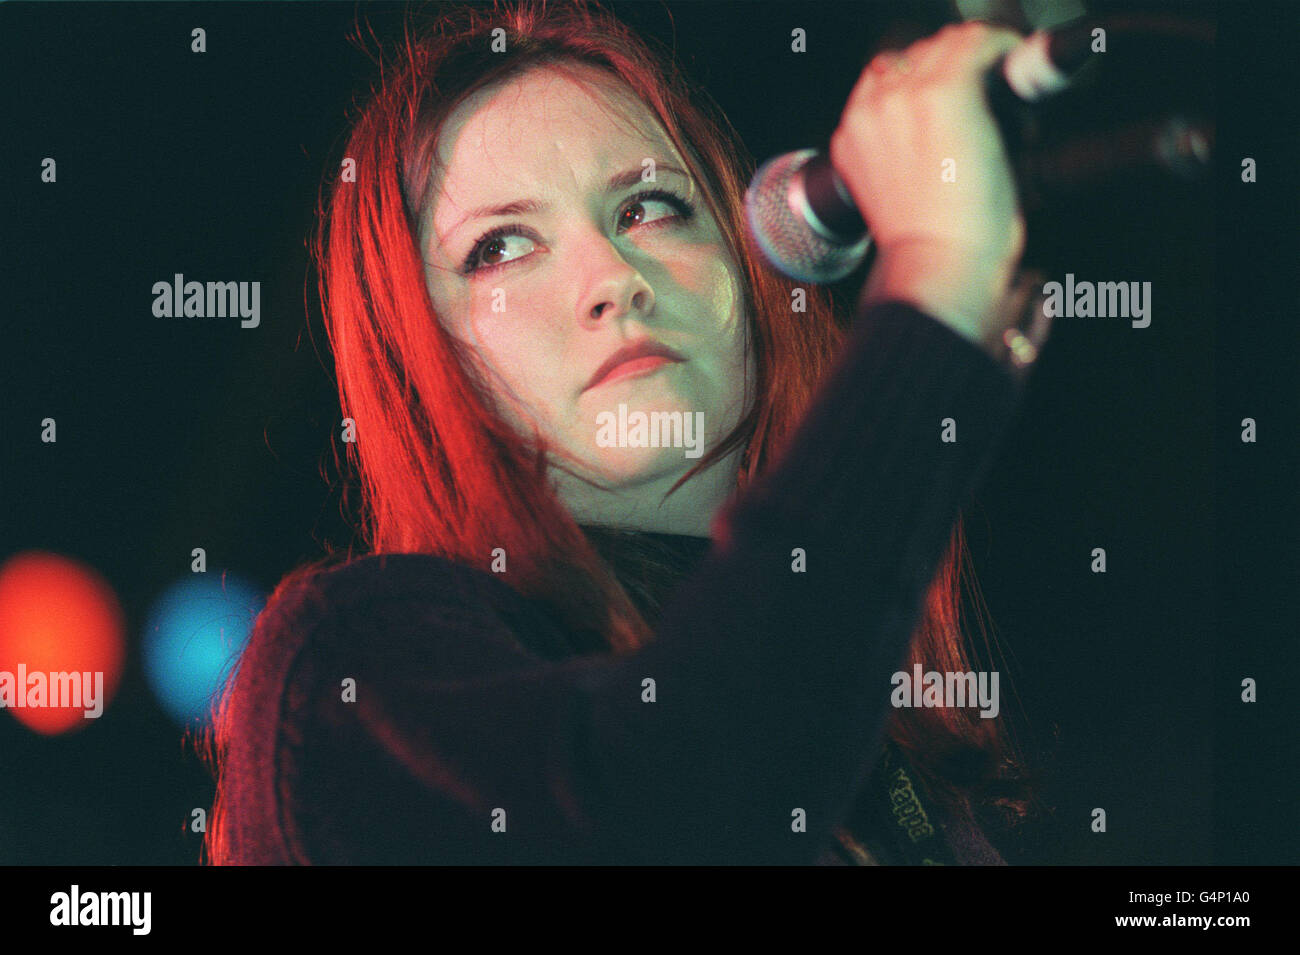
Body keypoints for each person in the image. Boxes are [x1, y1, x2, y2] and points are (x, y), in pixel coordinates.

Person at [205, 0, 1049, 866]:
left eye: (650, 206)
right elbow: (670, 806)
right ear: (422, 360)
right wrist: (936, 291)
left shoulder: (897, 768)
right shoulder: (345, 673)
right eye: (499, 246)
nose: (611, 277)